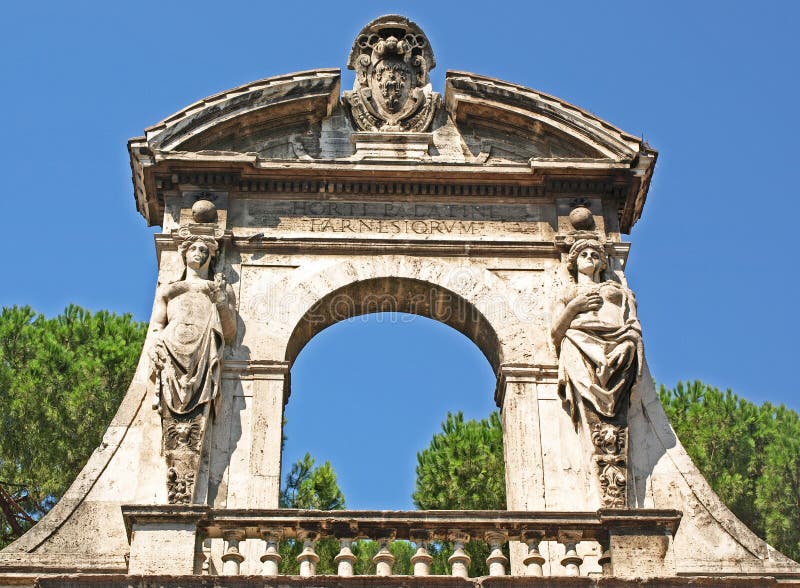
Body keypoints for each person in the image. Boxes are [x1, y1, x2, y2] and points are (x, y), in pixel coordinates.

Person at [550, 239, 643, 420]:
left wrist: (629, 341)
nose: (589, 258)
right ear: (574, 262)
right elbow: (555, 334)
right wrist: (573, 308)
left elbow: (632, 324)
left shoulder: (617, 290)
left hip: (618, 342)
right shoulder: (568, 293)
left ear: (602, 263)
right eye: (583, 255)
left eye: (595, 255)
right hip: (579, 342)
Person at [149, 235, 236, 416]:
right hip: (171, 347)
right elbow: (157, 326)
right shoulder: (169, 289)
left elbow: (229, 333)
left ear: (211, 256)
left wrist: (220, 301)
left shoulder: (220, 288)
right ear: (184, 253)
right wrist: (156, 343)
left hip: (204, 349)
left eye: (203, 250)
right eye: (193, 249)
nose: (198, 253)